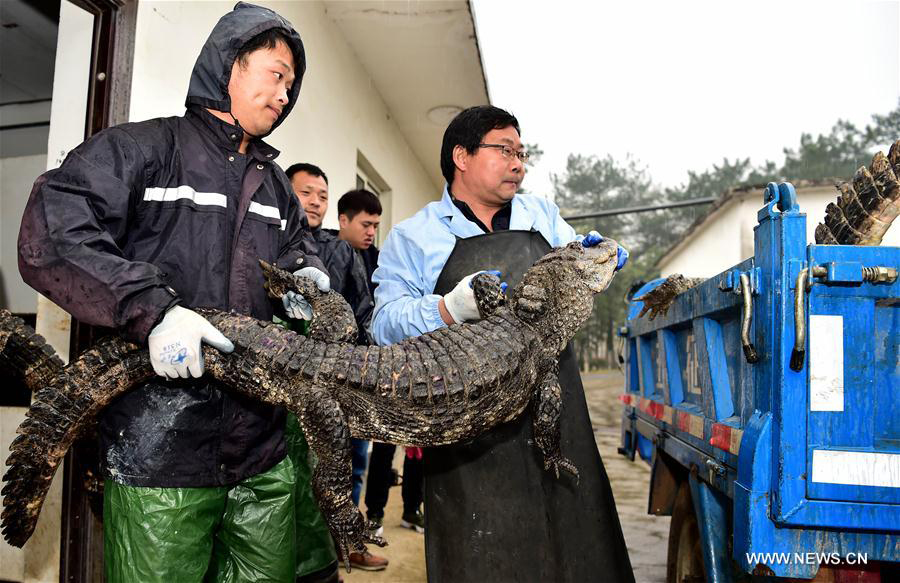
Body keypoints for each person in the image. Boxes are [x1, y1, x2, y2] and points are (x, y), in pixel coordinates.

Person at [17, 4, 330, 582]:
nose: (285, 95)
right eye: (276, 75)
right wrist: (155, 311)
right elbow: (52, 234)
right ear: (229, 66)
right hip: (159, 450)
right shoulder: (142, 151)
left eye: (292, 85)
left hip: (262, 451)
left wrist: (305, 277)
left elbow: (294, 254)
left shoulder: (278, 188)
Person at [371, 105, 634, 582]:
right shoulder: (414, 237)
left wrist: (601, 259)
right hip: (469, 432)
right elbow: (384, 325)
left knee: (577, 548)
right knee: (483, 555)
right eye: (505, 150)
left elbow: (579, 273)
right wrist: (448, 308)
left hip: (555, 413)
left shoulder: (542, 216)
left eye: (521, 153)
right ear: (462, 157)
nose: (518, 164)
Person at [287, 170, 388, 573]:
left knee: (346, 466)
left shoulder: (341, 252)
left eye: (322, 195)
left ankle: (346, 545)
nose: (315, 201)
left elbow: (364, 313)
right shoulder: (270, 241)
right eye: (306, 192)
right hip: (285, 384)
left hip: (341, 384)